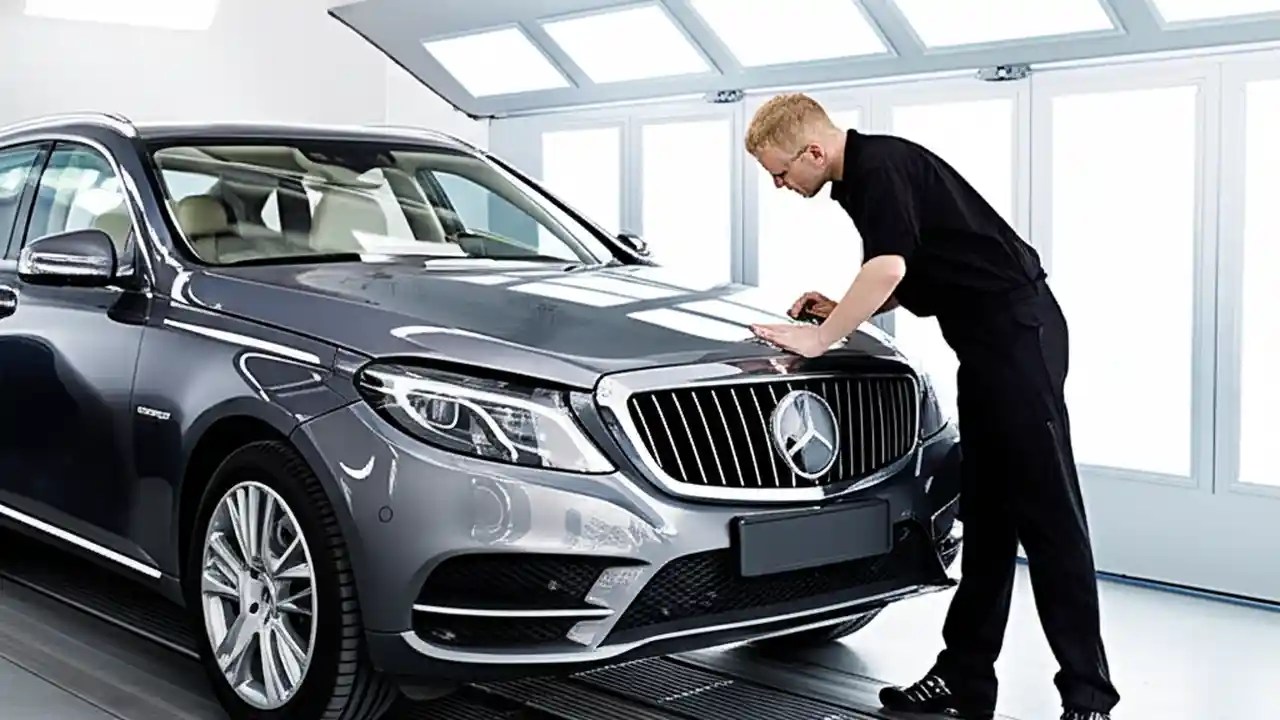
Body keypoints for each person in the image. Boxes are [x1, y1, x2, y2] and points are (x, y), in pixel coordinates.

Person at [744, 92, 1120, 720]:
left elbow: (888, 267)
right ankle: (964, 676)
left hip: (1019, 338)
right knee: (991, 519)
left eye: (782, 172)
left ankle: (1088, 697)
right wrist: (836, 305)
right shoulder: (866, 176)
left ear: (814, 150)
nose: (782, 185)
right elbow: (916, 268)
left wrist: (820, 335)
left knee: (1051, 519)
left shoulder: (879, 169)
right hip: (986, 347)